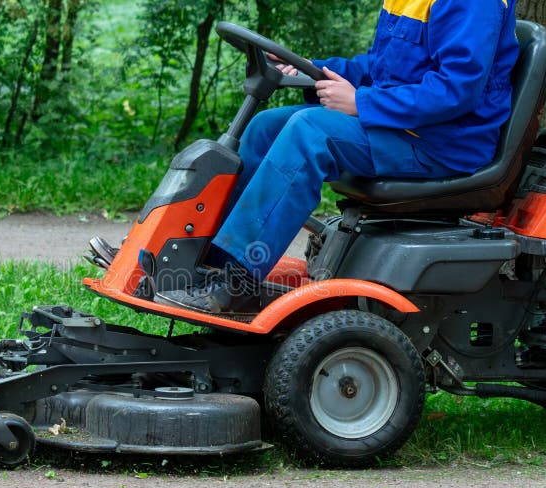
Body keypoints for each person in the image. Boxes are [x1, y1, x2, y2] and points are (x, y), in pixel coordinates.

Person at [156, 0, 520, 315]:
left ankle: (237, 283)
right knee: (266, 126)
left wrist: (361, 102)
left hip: (442, 144)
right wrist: (312, 69)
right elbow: (380, 68)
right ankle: (206, 264)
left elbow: (457, 90)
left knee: (311, 131)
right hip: (403, 127)